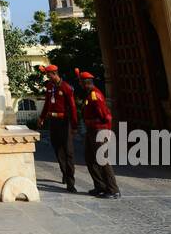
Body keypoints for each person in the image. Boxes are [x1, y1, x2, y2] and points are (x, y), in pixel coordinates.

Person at [35, 65, 79, 193]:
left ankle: (71, 182)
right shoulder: (49, 87)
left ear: (55, 73)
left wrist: (74, 125)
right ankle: (64, 173)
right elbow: (47, 103)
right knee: (58, 150)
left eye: (49, 75)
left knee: (68, 152)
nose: (47, 77)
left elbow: (72, 107)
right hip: (53, 122)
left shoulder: (66, 87)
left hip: (64, 122)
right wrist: (41, 117)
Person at [76, 70, 120, 198]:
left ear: (85, 83)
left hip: (99, 131)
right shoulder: (89, 95)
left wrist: (107, 131)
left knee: (103, 160)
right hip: (92, 131)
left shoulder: (95, 95)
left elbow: (106, 116)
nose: (79, 84)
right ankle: (100, 186)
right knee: (90, 159)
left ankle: (113, 189)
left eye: (80, 82)